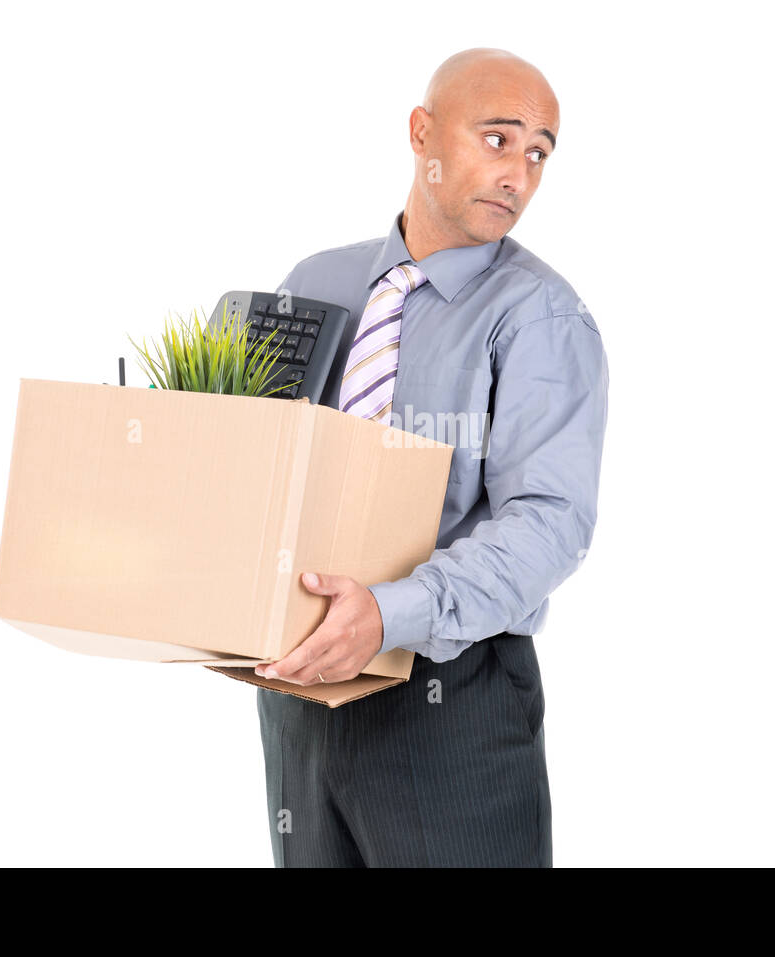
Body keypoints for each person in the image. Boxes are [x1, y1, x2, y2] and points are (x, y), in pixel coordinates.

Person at [250, 47, 608, 867]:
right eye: (498, 138)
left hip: (451, 701)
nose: (519, 172)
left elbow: (552, 524)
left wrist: (390, 611)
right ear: (423, 132)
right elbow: (262, 466)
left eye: (540, 152)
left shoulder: (541, 317)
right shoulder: (319, 281)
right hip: (300, 692)